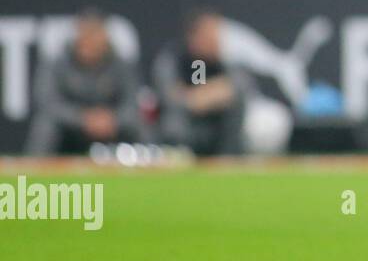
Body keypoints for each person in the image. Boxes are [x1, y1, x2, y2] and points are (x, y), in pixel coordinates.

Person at [26, 10, 142, 155]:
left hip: (111, 126)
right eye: (85, 34)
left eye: (94, 34)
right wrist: (83, 119)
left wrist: (112, 119)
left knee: (140, 124)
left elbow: (132, 103)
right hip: (72, 127)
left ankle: (154, 170)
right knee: (45, 125)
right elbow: (48, 103)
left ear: (105, 38)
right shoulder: (58, 64)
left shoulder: (120, 65)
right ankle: (37, 171)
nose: (89, 41)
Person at [154, 10, 251, 157]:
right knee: (173, 122)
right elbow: (171, 98)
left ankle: (228, 161)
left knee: (240, 110)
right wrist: (204, 95)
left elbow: (240, 86)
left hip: (216, 124)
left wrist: (199, 96)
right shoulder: (173, 59)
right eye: (209, 35)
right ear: (194, 36)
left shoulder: (223, 60)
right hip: (185, 127)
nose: (215, 40)